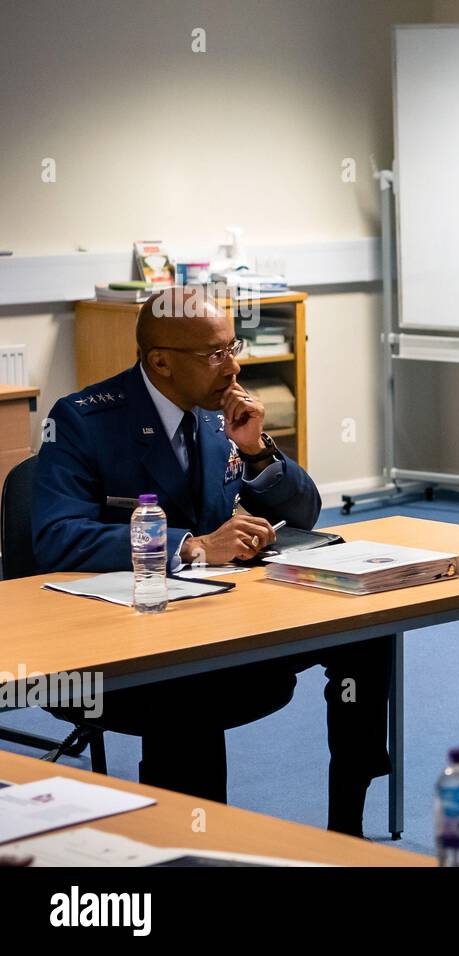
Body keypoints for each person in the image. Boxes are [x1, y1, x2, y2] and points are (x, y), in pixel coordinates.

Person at [32, 287, 391, 835]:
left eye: (233, 346)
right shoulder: (85, 421)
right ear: (160, 361)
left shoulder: (215, 414)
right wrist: (190, 546)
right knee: (189, 692)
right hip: (124, 641)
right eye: (214, 354)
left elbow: (305, 512)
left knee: (366, 632)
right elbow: (57, 538)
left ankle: (348, 823)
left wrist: (256, 451)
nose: (234, 365)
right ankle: (194, 842)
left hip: (220, 618)